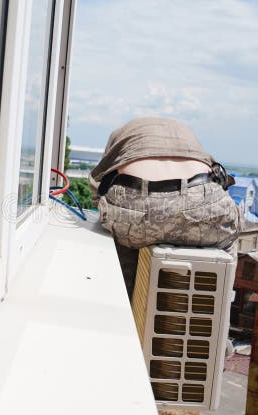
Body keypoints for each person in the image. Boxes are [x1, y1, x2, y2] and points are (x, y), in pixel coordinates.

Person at [89, 117, 241, 297]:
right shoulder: (187, 134)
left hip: (140, 209)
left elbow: (99, 184)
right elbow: (219, 178)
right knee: (228, 241)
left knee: (123, 239)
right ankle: (220, 307)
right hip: (202, 205)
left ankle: (127, 306)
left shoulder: (122, 134)